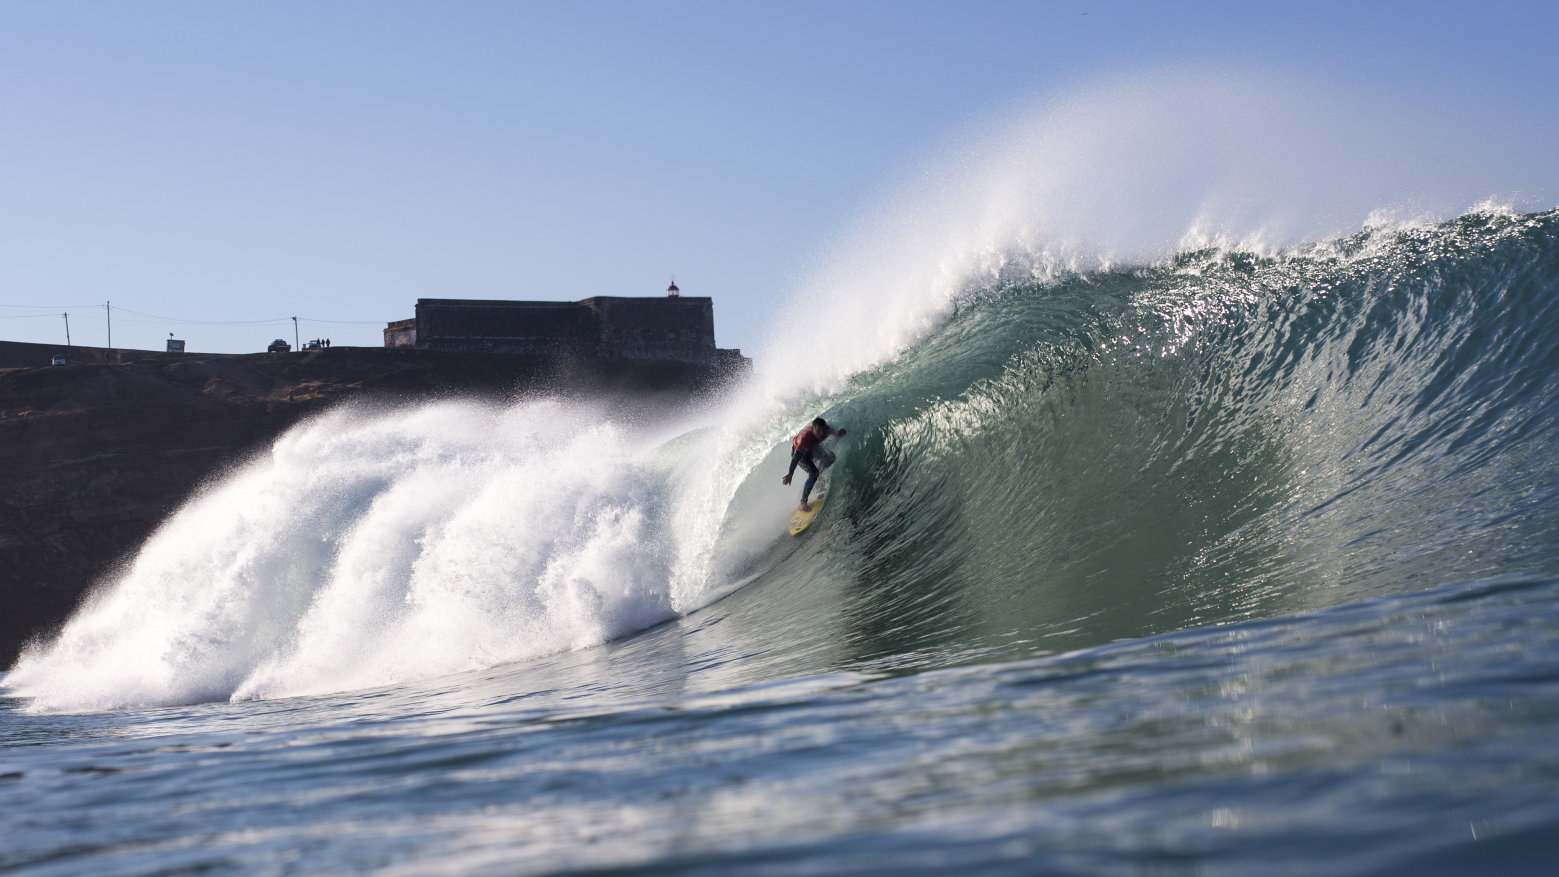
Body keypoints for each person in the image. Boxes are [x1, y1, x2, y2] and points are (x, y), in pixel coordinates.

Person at [782, 417, 846, 511]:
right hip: (800, 453)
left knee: (830, 458)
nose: (821, 433)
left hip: (812, 448)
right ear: (812, 429)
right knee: (814, 473)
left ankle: (817, 479)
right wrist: (790, 474)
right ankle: (803, 503)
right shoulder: (804, 439)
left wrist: (839, 434)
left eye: (823, 430)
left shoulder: (826, 430)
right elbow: (796, 458)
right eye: (818, 430)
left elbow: (835, 433)